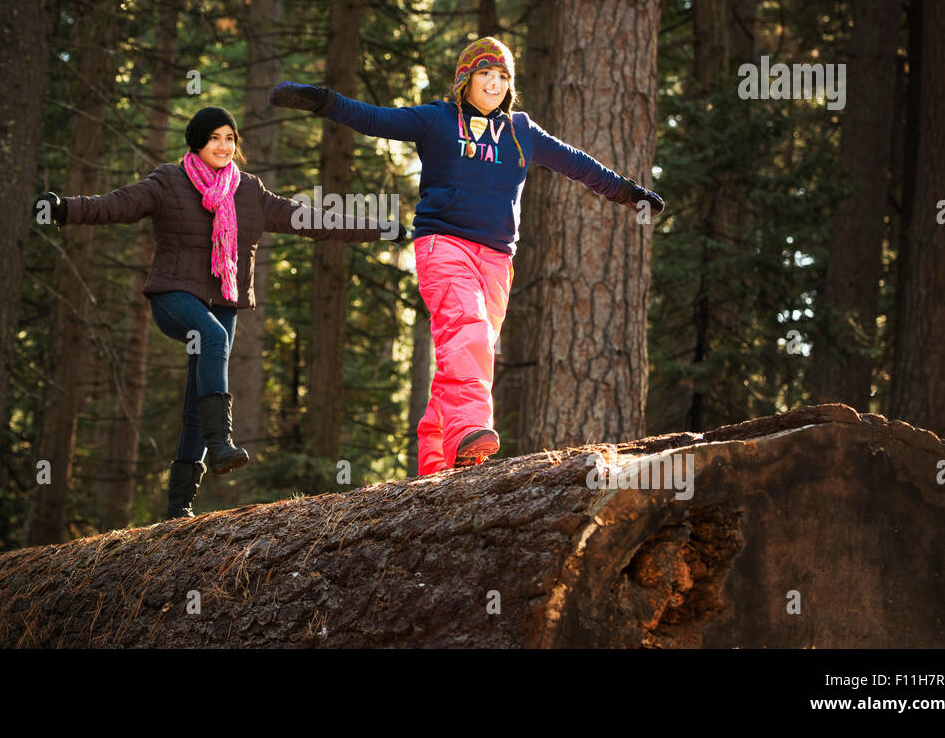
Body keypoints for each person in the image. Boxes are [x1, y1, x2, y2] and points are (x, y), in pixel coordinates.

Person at [270, 36, 664, 476]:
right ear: (465, 79)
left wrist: (628, 193)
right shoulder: (436, 120)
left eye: (502, 77)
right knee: (467, 331)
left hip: (497, 260)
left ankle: (435, 466)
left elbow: (579, 164)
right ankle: (471, 430)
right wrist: (322, 101)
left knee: (462, 355)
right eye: (485, 74)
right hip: (443, 245)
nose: (494, 84)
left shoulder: (521, 131)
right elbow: (373, 118)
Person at [34, 106, 404, 519]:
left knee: (198, 394)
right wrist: (64, 208)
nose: (224, 146)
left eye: (230, 138)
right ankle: (221, 443)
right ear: (196, 142)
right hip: (174, 297)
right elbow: (117, 204)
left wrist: (381, 228)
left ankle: (179, 503)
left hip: (224, 301)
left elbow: (311, 218)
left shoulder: (249, 192)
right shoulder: (169, 181)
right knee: (212, 338)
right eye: (214, 138)